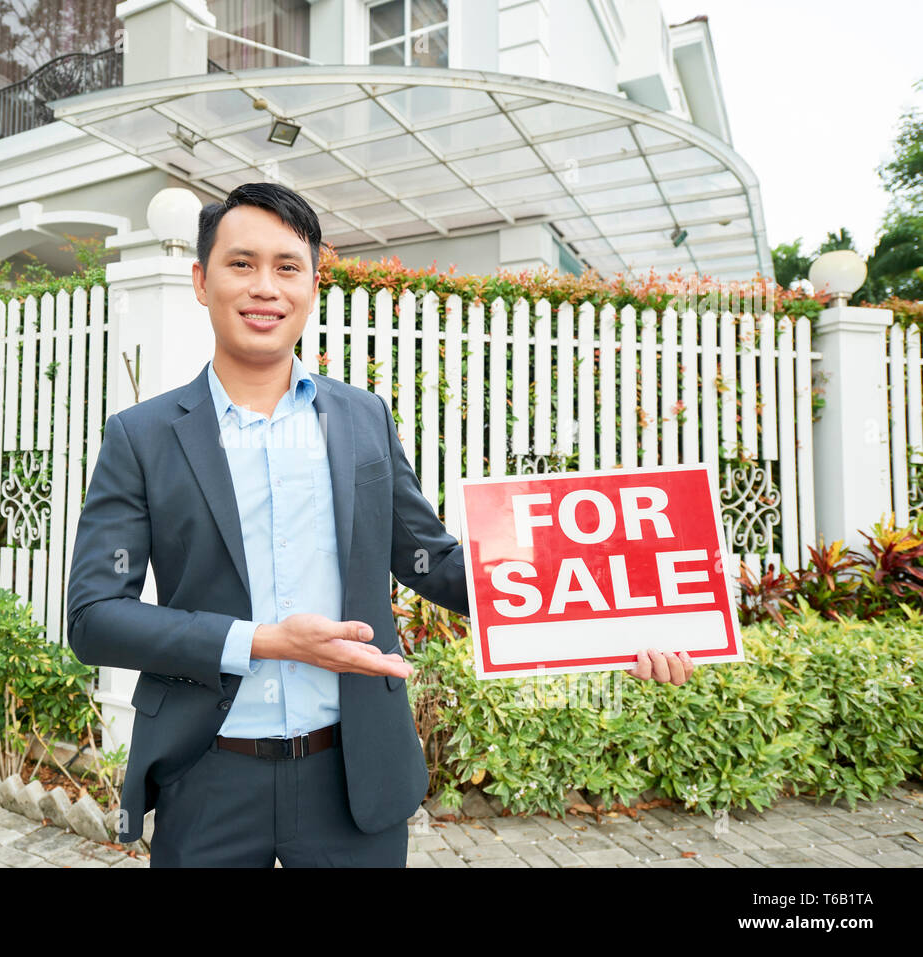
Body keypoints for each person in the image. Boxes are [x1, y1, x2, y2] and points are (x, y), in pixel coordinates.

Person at [65, 181, 695, 868]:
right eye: (240, 263)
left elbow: (434, 560)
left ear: (312, 284)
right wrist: (269, 641)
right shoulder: (142, 435)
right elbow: (96, 616)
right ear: (200, 279)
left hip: (352, 772)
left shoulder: (363, 418)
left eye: (287, 266)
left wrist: (613, 623)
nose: (264, 287)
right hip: (207, 774)